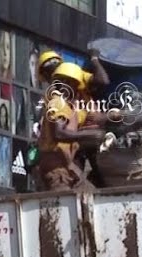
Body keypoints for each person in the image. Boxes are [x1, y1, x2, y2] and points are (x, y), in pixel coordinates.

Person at [33, 64, 111, 192]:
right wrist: (90, 135)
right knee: (63, 203)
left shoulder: (70, 107)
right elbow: (59, 134)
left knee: (92, 195)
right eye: (74, 85)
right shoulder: (58, 103)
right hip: (56, 170)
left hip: (67, 166)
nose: (77, 90)